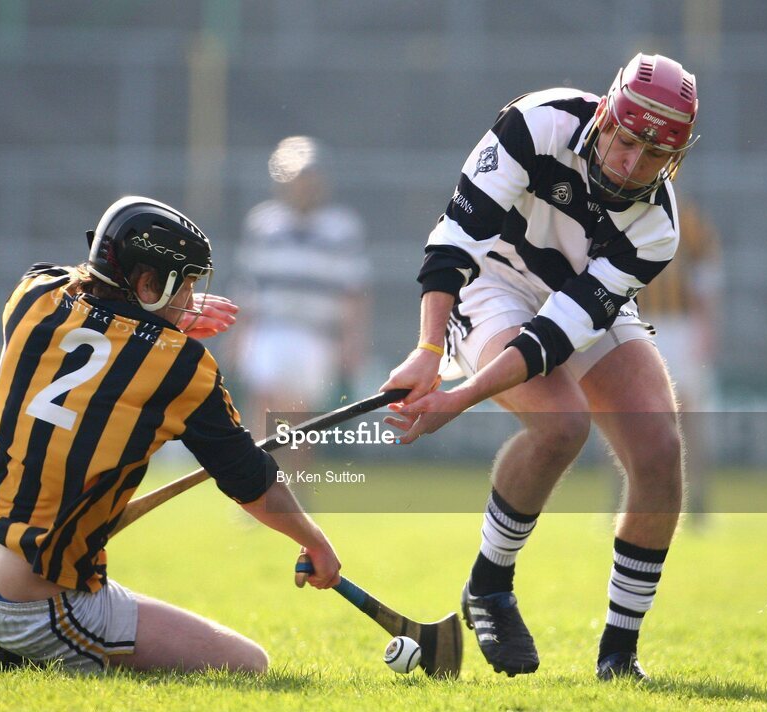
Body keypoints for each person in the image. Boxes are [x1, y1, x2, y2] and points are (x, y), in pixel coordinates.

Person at [0, 196, 342, 673]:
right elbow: (248, 479)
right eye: (183, 284)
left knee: (30, 521)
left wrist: (162, 316)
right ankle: (26, 655)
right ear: (147, 284)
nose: (191, 298)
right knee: (249, 663)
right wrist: (313, 541)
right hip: (34, 607)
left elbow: (82, 286)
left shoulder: (32, 295)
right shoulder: (181, 367)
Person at [381, 53, 700, 682]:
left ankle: (618, 656)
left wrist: (459, 397)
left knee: (659, 448)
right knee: (561, 425)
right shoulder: (536, 122)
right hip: (492, 281)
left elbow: (557, 335)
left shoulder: (657, 230)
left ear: (675, 159)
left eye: (655, 156)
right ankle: (491, 585)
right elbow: (456, 240)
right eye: (627, 141)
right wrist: (426, 352)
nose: (633, 166)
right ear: (605, 116)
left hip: (573, 300)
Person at [234, 136, 370, 430]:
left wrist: (352, 341)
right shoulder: (264, 223)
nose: (305, 185)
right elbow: (250, 287)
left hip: (315, 334)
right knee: (264, 403)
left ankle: (294, 476)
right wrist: (240, 335)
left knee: (298, 415)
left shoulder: (341, 228)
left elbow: (354, 291)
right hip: (269, 330)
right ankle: (263, 473)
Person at [635, 201, 722, 523]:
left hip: (681, 327)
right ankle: (627, 499)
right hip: (637, 323)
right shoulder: (621, 212)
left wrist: (706, 329)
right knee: (627, 416)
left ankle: (697, 499)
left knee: (690, 415)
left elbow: (706, 280)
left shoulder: (690, 220)